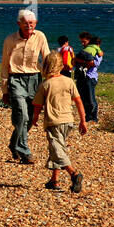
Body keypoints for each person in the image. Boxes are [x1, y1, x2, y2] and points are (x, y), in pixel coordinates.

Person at [0, 9, 51, 165]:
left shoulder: (40, 36)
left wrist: (51, 80)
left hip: (35, 79)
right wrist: (5, 90)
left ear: (35, 24)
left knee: (30, 119)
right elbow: (4, 65)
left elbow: (47, 58)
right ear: (19, 24)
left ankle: (14, 142)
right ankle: (24, 151)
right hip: (16, 79)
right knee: (22, 115)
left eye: (31, 23)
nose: (29, 26)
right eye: (25, 23)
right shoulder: (10, 40)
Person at [31, 52, 87, 193]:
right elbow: (79, 101)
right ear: (61, 65)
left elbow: (37, 105)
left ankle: (73, 173)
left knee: (57, 149)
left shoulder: (45, 85)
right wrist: (83, 120)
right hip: (68, 121)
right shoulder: (69, 81)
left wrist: (35, 118)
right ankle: (54, 180)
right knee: (57, 148)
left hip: (53, 121)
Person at [74, 33, 103, 123]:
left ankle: (93, 117)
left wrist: (79, 61)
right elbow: (74, 61)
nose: (82, 44)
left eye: (84, 41)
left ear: (90, 41)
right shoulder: (85, 51)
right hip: (82, 76)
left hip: (90, 77)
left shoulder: (95, 52)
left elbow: (94, 63)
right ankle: (87, 116)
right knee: (83, 97)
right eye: (81, 42)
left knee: (90, 98)